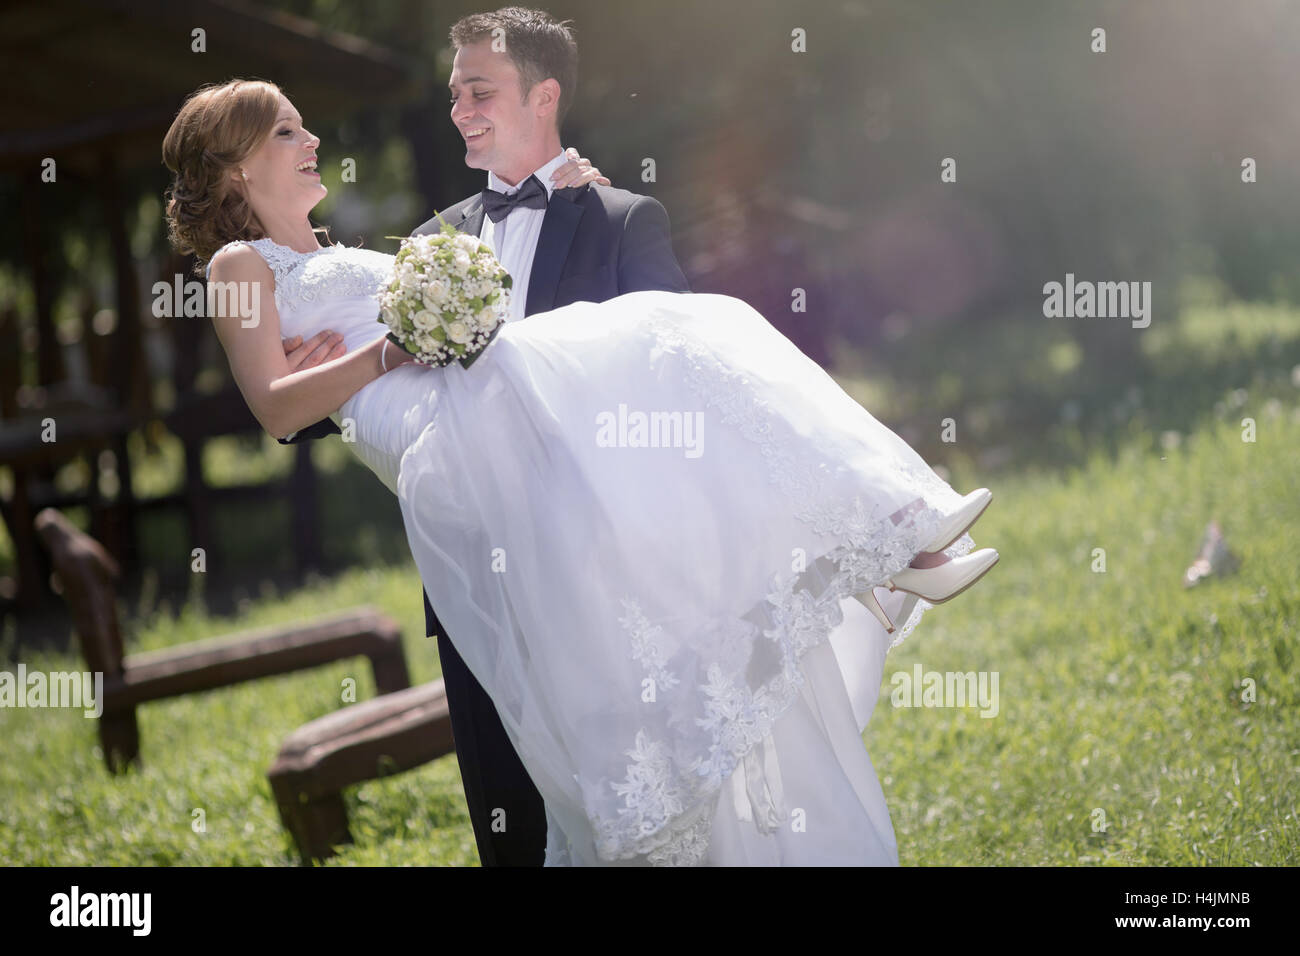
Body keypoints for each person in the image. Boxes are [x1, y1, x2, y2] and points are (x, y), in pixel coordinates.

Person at [163, 71, 999, 864]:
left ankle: (882, 544)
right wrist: (382, 352)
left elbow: (396, 341)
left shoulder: (345, 252)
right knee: (671, 339)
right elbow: (276, 406)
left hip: (472, 400)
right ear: (236, 166)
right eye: (285, 129)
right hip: (444, 436)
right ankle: (883, 546)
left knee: (686, 366)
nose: (311, 138)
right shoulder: (238, 269)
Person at [275, 7, 690, 867]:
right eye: (454, 92)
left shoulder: (621, 220)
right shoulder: (429, 243)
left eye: (480, 90)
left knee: (637, 801)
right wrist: (319, 367)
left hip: (597, 567)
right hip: (470, 571)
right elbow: (379, 392)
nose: (460, 108)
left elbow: (678, 377)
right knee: (509, 822)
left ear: (544, 95)